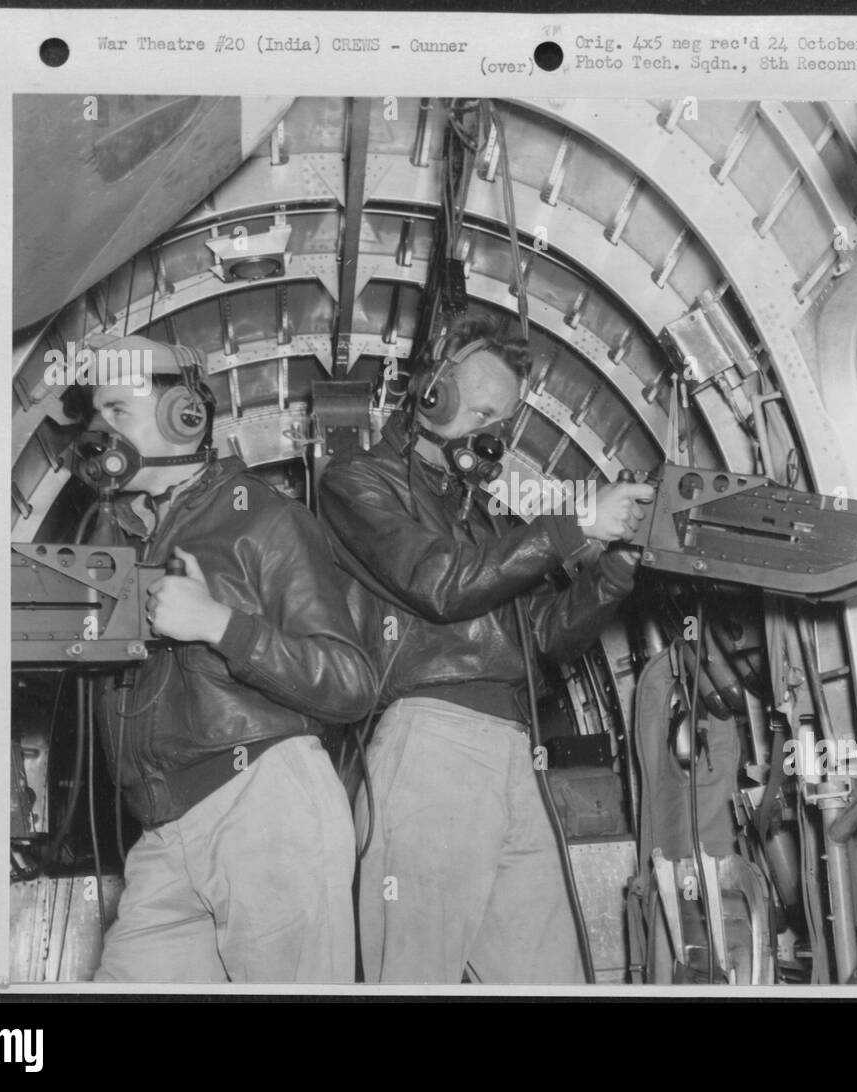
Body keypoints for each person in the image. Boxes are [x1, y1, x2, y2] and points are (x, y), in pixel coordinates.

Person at [319, 315, 655, 984]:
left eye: (500, 423)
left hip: (508, 748)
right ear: (430, 395)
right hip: (431, 745)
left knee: (553, 979)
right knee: (416, 975)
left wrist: (615, 568)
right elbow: (441, 583)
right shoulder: (359, 482)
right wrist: (569, 525)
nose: (488, 436)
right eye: (478, 411)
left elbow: (545, 638)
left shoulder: (481, 517)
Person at [61, 334, 376, 983]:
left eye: (117, 411)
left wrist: (220, 625)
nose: (100, 434)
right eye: (96, 417)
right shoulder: (118, 539)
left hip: (265, 805)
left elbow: (352, 682)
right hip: (162, 832)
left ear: (184, 413)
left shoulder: (262, 518)